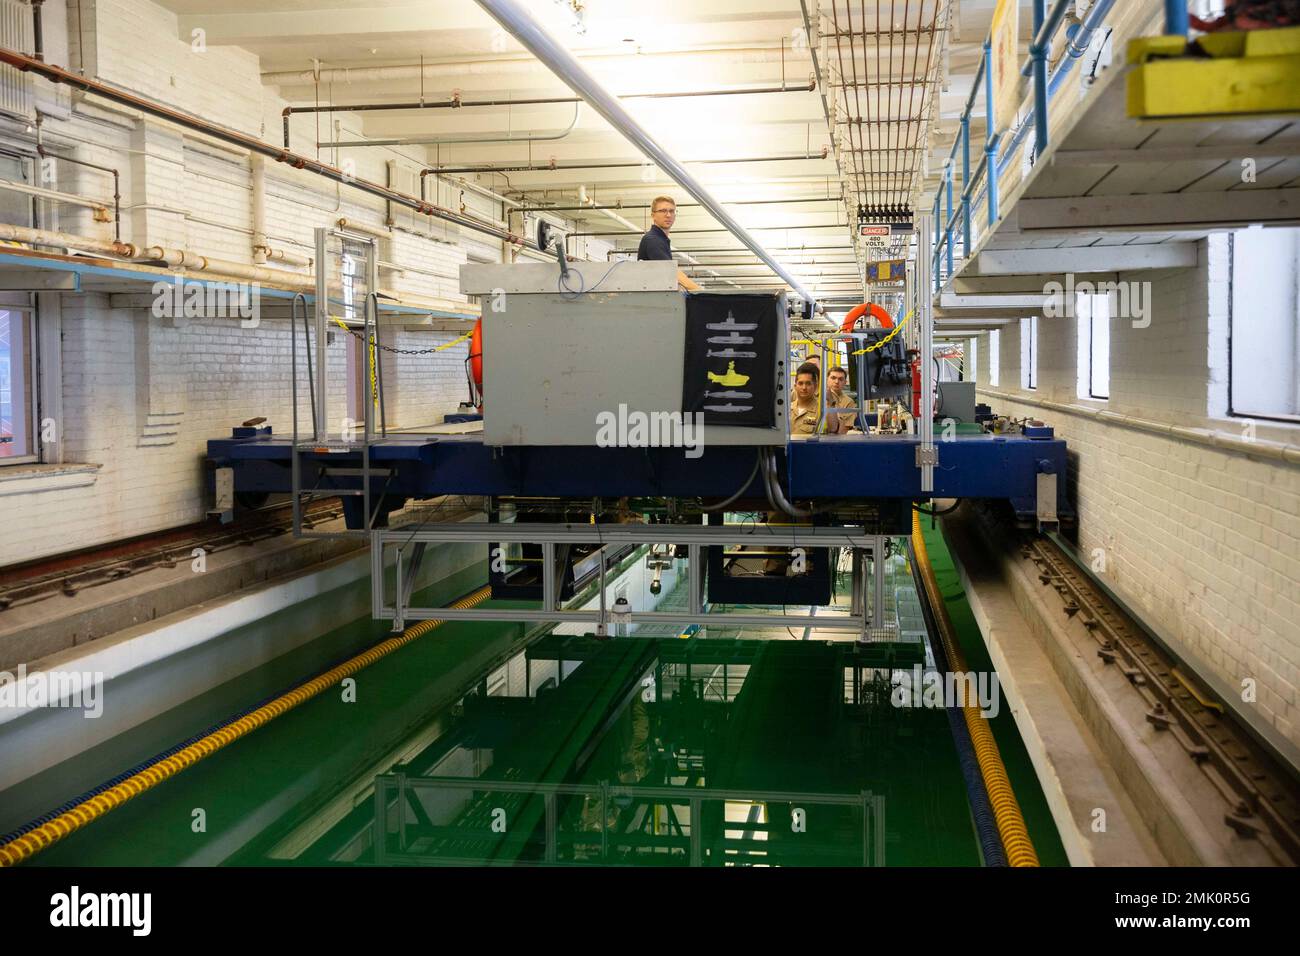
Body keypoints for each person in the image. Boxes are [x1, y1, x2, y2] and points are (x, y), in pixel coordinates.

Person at [637, 195, 701, 292]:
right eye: (663, 211)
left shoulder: (660, 239)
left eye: (672, 211)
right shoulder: (653, 240)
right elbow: (672, 272)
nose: (668, 215)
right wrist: (700, 291)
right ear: (653, 215)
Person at [789, 362, 821, 436]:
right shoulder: (786, 409)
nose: (804, 388)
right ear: (795, 386)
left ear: (815, 386)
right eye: (800, 383)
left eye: (808, 383)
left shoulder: (820, 411)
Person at [824, 366, 857, 434]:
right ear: (827, 379)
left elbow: (843, 431)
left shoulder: (849, 402)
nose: (836, 382)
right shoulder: (817, 397)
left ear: (845, 382)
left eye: (841, 379)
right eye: (833, 378)